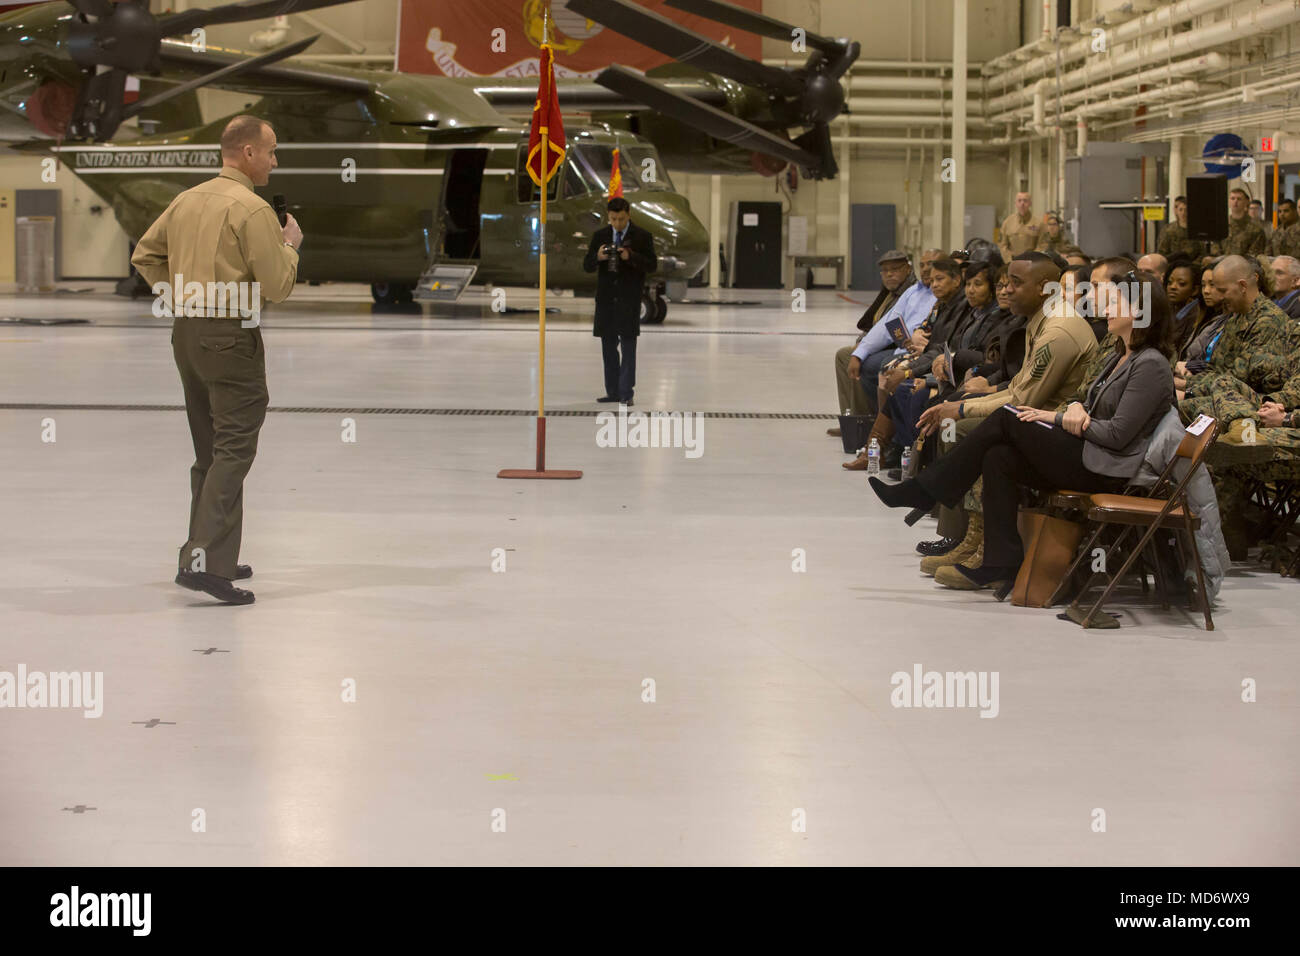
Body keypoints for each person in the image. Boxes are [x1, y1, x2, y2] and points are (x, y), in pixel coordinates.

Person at [871, 271, 1176, 592]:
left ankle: (925, 489)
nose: (1107, 309)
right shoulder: (1118, 353)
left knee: (1007, 417)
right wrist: (1075, 408)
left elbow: (1117, 435)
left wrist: (1063, 419)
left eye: (1116, 302)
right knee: (998, 456)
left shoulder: (1150, 364)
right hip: (1088, 451)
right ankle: (999, 560)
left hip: (1107, 468)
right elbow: (1085, 401)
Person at [130, 115, 302, 606]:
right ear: (247, 153)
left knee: (210, 449)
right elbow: (277, 286)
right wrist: (290, 247)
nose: (274, 160)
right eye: (271, 150)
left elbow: (146, 255)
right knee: (234, 449)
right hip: (230, 337)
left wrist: (183, 297)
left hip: (186, 333)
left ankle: (211, 554)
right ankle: (202, 561)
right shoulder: (251, 210)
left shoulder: (187, 199)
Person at [830, 250, 916, 433]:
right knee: (844, 355)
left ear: (908, 269)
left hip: (896, 347)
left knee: (857, 360)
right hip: (880, 343)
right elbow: (876, 324)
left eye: (895, 269)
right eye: (885, 271)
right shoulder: (890, 292)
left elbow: (894, 328)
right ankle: (851, 419)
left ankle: (863, 423)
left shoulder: (909, 293)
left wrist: (863, 349)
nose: (889, 274)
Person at [583, 196, 657, 405]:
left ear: (629, 215)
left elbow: (652, 265)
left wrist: (630, 257)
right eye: (614, 219)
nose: (617, 224)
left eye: (622, 219)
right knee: (608, 349)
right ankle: (612, 391)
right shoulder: (601, 236)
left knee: (628, 347)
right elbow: (586, 265)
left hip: (628, 300)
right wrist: (598, 257)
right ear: (609, 217)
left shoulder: (642, 236)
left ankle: (626, 393)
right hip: (606, 300)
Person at [1164, 257, 1207, 355]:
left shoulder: (1196, 315)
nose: (1173, 287)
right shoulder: (1168, 308)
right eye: (1170, 283)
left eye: (1181, 284)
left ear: (1195, 290)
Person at [1210, 188, 1267, 257]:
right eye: (1232, 198)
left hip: (1244, 266)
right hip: (1221, 265)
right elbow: (1215, 249)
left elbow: (1254, 256)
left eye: (1239, 199)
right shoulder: (1220, 226)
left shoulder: (1256, 230)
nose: (1235, 201)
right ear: (1229, 202)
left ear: (1246, 202)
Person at [998, 192, 1040, 261]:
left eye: (1025, 201)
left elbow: (1042, 245)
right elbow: (1002, 245)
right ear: (1016, 204)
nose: (1022, 203)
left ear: (1030, 203)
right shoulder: (1007, 223)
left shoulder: (1039, 223)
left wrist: (1033, 260)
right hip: (1012, 262)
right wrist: (1009, 260)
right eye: (1019, 200)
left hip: (1032, 264)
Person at [1270, 255, 1300, 319]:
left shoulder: (1297, 308)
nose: (1272, 277)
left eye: (1279, 273)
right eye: (1271, 272)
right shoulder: (1269, 300)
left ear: (1296, 281)